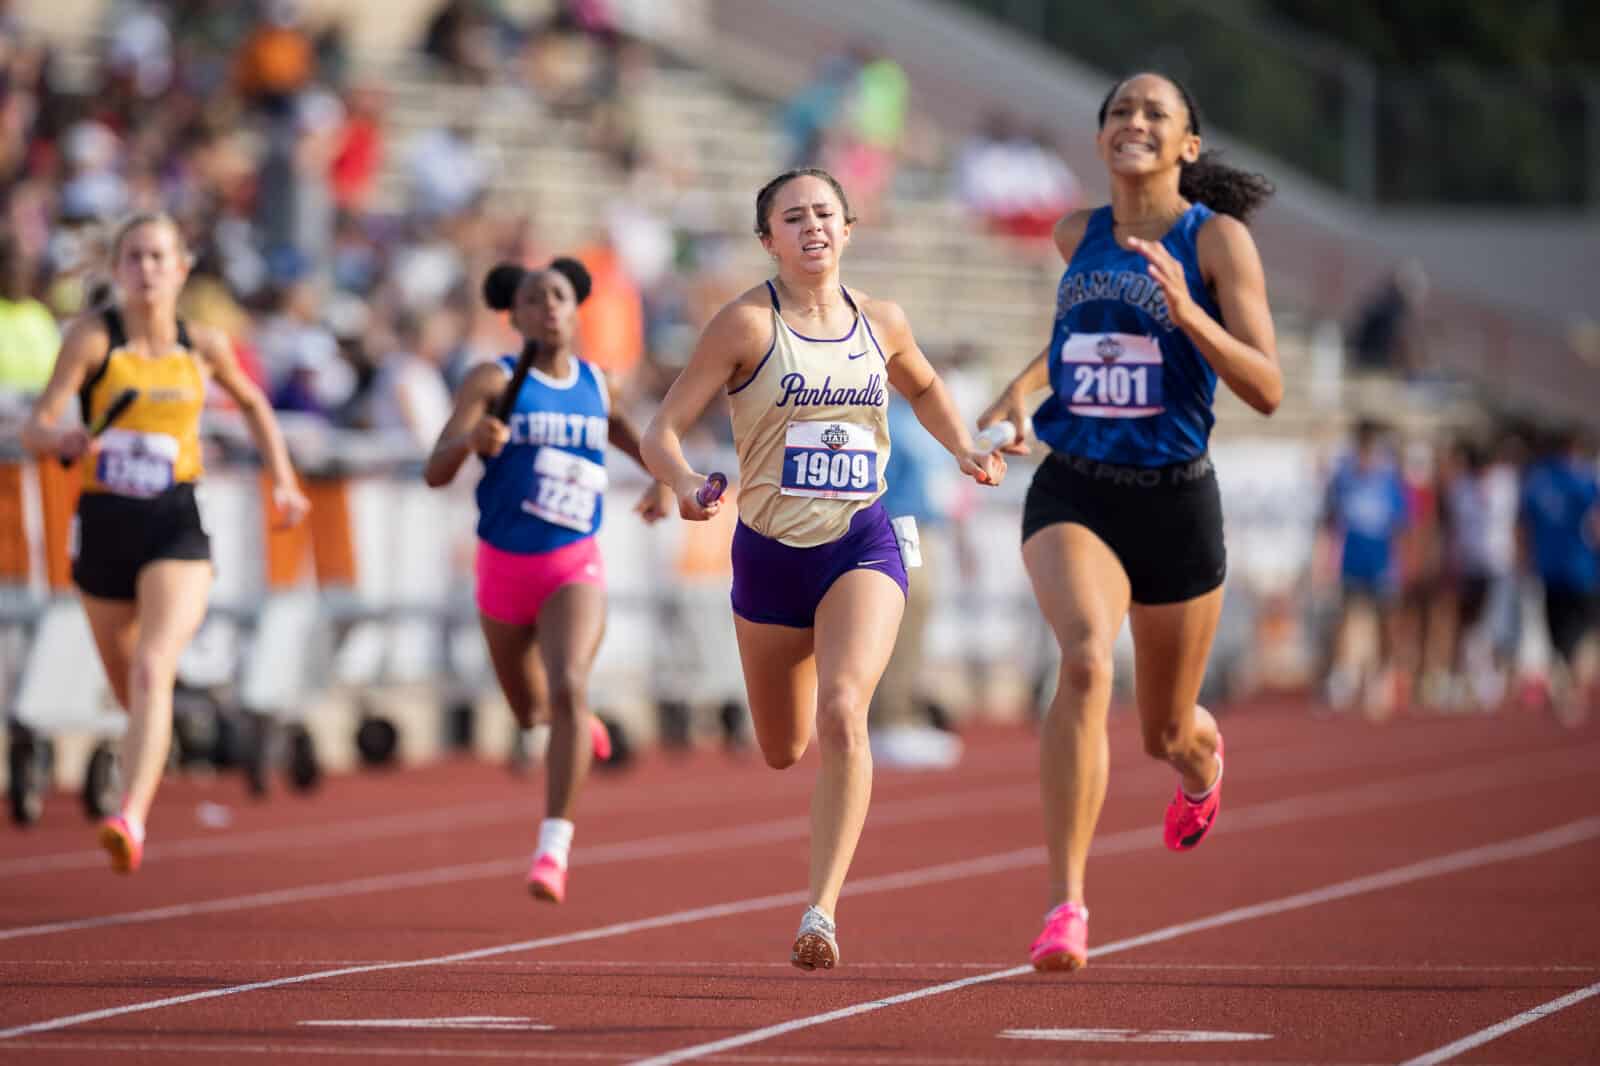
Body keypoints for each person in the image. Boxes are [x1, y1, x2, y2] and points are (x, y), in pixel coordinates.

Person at [641, 167, 1005, 971]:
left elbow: (924, 386)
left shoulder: (883, 320)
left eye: (824, 214)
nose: (812, 227)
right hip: (769, 559)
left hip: (861, 544)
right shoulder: (744, 324)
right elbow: (660, 431)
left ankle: (821, 912)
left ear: (848, 229)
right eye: (793, 217)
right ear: (767, 239)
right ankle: (812, 843)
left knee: (845, 711)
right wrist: (685, 483)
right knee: (783, 747)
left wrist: (965, 447)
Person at [977, 72, 1281, 972]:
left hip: (1176, 501)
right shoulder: (1077, 233)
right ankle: (1065, 905)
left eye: (1155, 113)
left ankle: (1201, 764)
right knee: (1082, 660)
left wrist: (1191, 316)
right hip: (1075, 488)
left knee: (1165, 731)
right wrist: (1021, 388)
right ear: (1100, 136)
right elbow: (1078, 337)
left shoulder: (1216, 240)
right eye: (1119, 111)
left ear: (1189, 144)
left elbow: (1267, 386)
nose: (1133, 121)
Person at [20, 211, 310, 874]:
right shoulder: (94, 339)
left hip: (174, 522)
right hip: (103, 525)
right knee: (133, 688)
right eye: (134, 257)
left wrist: (284, 481)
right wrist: (63, 438)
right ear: (117, 269)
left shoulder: (201, 343)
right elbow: (37, 424)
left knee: (154, 666)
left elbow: (255, 404)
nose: (146, 270)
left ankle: (131, 818)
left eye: (158, 257)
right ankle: (148, 753)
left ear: (181, 269)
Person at [423, 256, 672, 904]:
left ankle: (553, 849)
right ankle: (578, 724)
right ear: (516, 315)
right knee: (532, 711)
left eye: (559, 295)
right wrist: (472, 441)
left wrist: (665, 480)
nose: (549, 307)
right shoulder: (493, 379)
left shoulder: (597, 383)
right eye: (534, 299)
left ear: (575, 307)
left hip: (572, 564)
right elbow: (434, 471)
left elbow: (645, 443)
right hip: (503, 567)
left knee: (567, 685)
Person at [1316, 419, 1412, 715]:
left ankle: (1381, 678)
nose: (1366, 452)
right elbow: (1330, 520)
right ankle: (1342, 679)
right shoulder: (1343, 478)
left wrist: (1402, 563)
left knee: (1386, 622)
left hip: (1381, 562)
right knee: (1345, 618)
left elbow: (1401, 524)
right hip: (1351, 560)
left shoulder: (1388, 479)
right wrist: (1325, 559)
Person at [1517, 426, 1599, 727]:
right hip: (1580, 569)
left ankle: (1568, 688)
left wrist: (1525, 559)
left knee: (1560, 633)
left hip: (1550, 568)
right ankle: (1574, 690)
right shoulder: (1583, 479)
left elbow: (1523, 524)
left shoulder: (1537, 480)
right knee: (1581, 631)